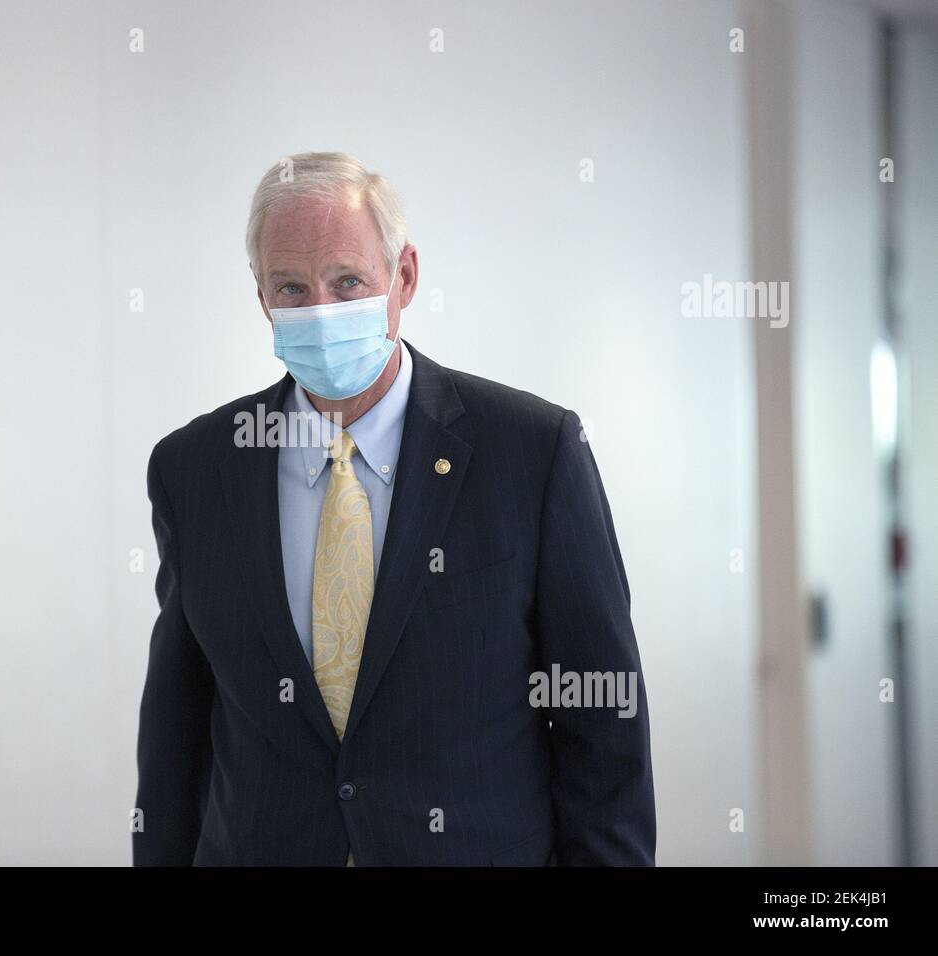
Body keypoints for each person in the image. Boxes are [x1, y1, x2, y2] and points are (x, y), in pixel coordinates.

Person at [132, 151, 655, 866]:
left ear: (403, 276)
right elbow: (176, 732)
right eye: (291, 288)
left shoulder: (532, 452)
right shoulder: (194, 470)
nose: (320, 310)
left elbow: (603, 726)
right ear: (261, 298)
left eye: (347, 281)